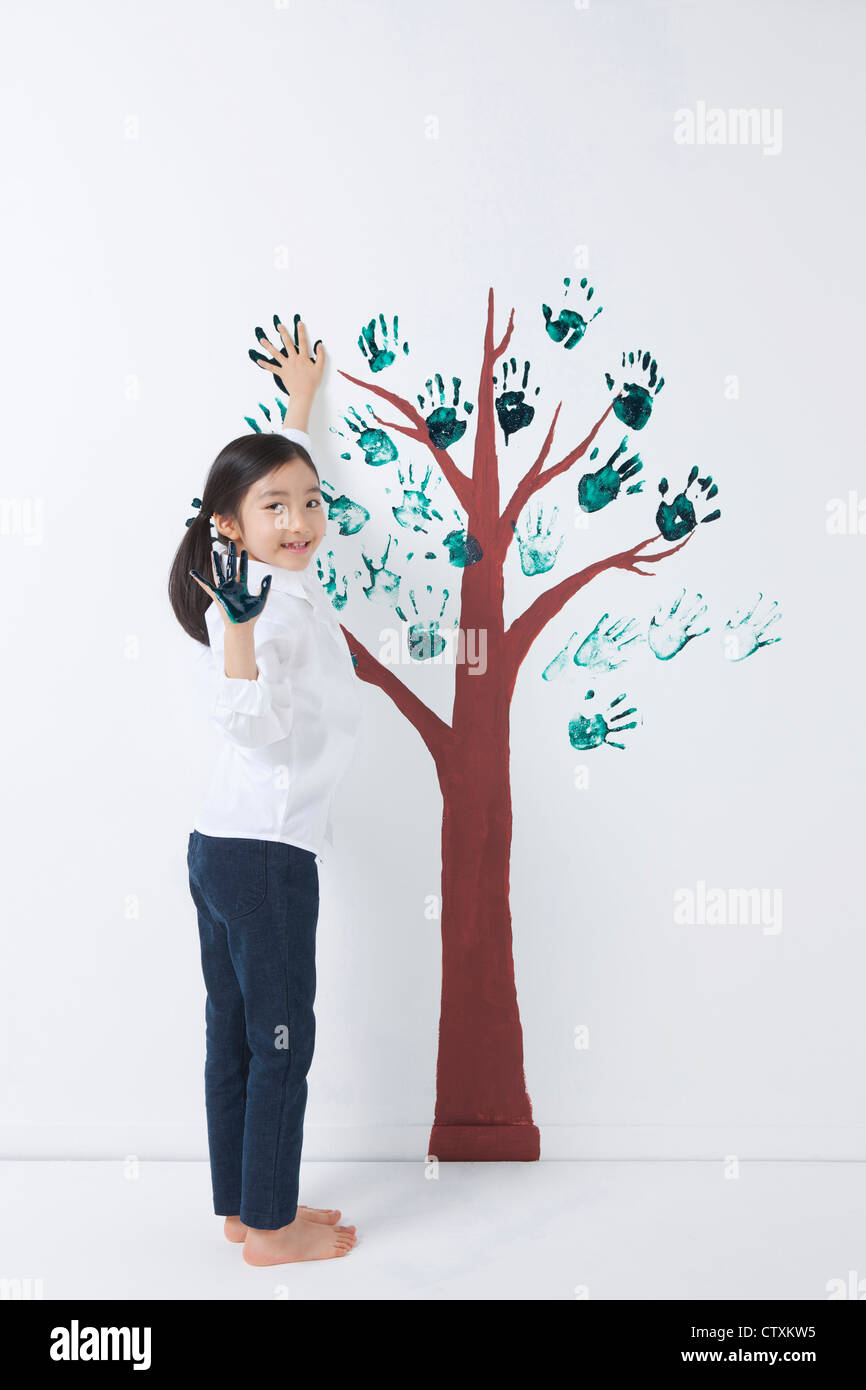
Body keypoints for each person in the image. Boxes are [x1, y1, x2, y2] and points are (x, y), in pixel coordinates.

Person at [168, 320, 361, 1265]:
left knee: (238, 1037)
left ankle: (248, 1208)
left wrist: (299, 406)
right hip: (267, 858)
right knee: (282, 1042)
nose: (299, 521)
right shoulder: (256, 608)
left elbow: (277, 485)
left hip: (222, 846)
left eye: (311, 503)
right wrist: (239, 629)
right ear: (228, 525)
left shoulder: (269, 573)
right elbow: (246, 719)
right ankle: (274, 1233)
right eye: (275, 508)